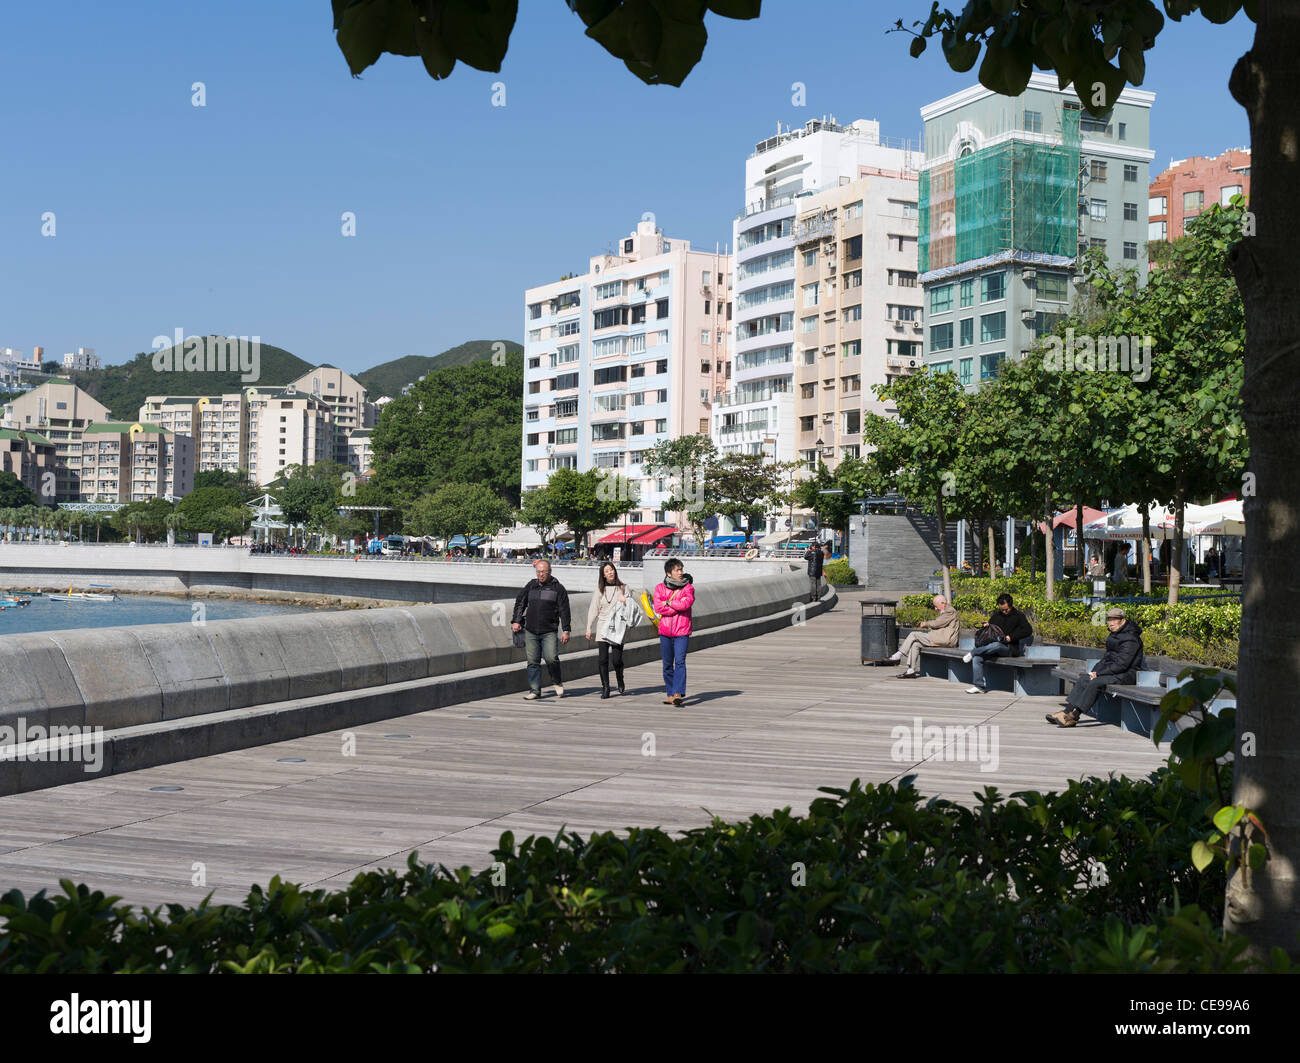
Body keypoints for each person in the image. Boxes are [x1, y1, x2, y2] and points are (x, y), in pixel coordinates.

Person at [1046, 608, 1144, 727]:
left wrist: (1099, 674)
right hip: (1114, 672)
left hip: (1127, 674)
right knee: (1084, 678)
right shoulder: (1114, 635)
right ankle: (1066, 711)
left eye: (1114, 619)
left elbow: (1122, 664)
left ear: (1123, 620)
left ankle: (1074, 717)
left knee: (1096, 682)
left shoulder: (1131, 639)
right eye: (1109, 620)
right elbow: (1106, 658)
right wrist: (1094, 671)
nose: (1110, 623)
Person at [511, 559, 571, 700]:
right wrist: (516, 620)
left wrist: (566, 630)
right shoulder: (531, 585)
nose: (540, 574)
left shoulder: (558, 588)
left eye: (543, 572)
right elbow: (520, 602)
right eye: (538, 572)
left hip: (549, 630)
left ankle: (557, 681)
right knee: (532, 661)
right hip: (531, 630)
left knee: (551, 658)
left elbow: (564, 610)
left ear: (550, 571)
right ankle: (535, 690)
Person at [962, 593, 1033, 694]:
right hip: (992, 648)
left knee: (997, 646)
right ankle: (979, 686)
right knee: (977, 658)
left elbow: (1028, 630)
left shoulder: (1018, 615)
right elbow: (992, 627)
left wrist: (1011, 637)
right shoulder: (997, 615)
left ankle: (973, 652)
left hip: (1009, 648)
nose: (1004, 612)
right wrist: (987, 625)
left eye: (1006, 609)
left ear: (1011, 605)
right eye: (1002, 609)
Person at [586, 561, 630, 698]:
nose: (610, 572)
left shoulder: (623, 588)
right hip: (602, 626)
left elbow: (631, 607)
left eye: (611, 569)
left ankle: (620, 678)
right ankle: (605, 687)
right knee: (602, 659)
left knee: (616, 660)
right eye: (607, 571)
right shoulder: (600, 590)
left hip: (618, 627)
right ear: (603, 575)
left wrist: (625, 600)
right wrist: (589, 627)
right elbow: (594, 609)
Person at [654, 558, 695, 706]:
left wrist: (669, 602)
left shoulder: (688, 588)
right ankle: (670, 693)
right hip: (665, 632)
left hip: (682, 631)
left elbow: (686, 604)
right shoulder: (659, 588)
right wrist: (675, 606)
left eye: (681, 569)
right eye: (677, 570)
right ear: (669, 573)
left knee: (679, 661)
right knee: (667, 664)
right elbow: (658, 607)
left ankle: (678, 692)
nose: (680, 572)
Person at [890, 595, 959, 678]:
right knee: (915, 644)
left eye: (936, 606)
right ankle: (911, 670)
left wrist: (926, 624)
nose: (935, 608)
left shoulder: (950, 611)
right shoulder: (946, 611)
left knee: (914, 634)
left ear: (943, 603)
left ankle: (898, 655)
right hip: (941, 638)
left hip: (945, 639)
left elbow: (938, 623)